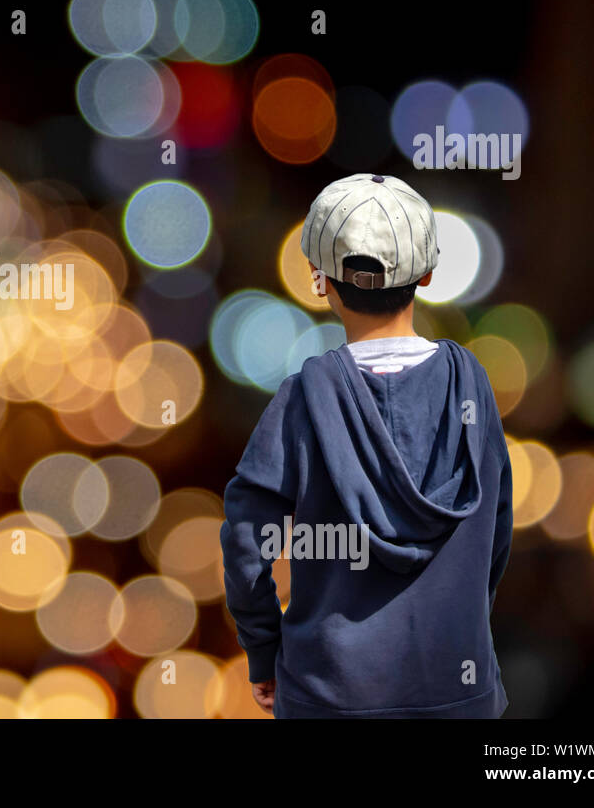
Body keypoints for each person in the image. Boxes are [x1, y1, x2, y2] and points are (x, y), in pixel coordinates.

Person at [219, 173, 512, 718]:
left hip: (329, 698)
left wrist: (264, 649)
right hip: (459, 695)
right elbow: (495, 533)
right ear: (427, 274)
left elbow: (244, 543)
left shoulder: (302, 398)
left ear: (319, 280)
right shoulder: (471, 385)